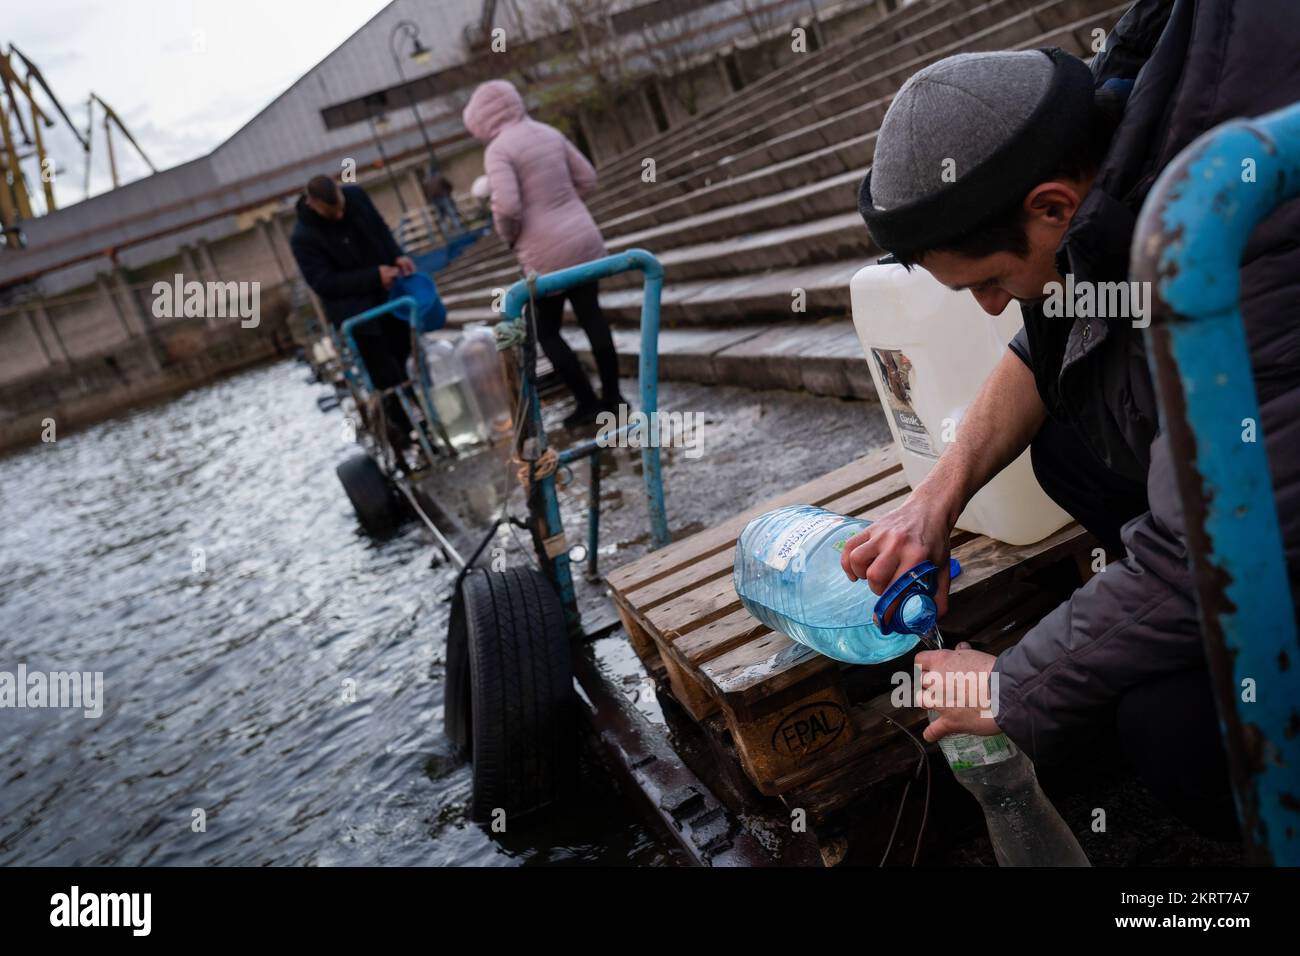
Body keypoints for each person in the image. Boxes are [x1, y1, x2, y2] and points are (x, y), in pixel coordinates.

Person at [843, 0, 1300, 841]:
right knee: (1060, 443)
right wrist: (935, 497)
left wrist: (1010, 688)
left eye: (984, 278)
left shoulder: (1246, 227)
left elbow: (1218, 540)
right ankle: (1144, 629)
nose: (986, 307)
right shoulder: (1116, 157)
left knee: (1174, 731)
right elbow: (1041, 341)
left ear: (1052, 205)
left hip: (1264, 510)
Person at [462, 79, 625, 430]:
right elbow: (588, 179)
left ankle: (588, 402)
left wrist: (510, 237)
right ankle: (614, 398)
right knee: (591, 315)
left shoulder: (498, 151)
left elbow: (506, 208)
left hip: (543, 252)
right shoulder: (548, 132)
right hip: (583, 238)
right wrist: (565, 204)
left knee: (546, 331)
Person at [290, 175, 417, 446]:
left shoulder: (356, 197)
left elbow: (381, 230)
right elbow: (323, 283)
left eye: (340, 207)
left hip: (391, 299)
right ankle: (409, 432)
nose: (339, 215)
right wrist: (374, 276)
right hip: (358, 315)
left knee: (409, 357)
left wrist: (397, 255)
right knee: (385, 376)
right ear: (313, 204)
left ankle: (428, 412)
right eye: (331, 212)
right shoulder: (303, 237)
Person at [421, 159, 464, 238]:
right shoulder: (439, 177)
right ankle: (460, 231)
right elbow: (449, 185)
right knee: (452, 214)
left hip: (434, 200)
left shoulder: (426, 181)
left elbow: (426, 193)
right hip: (443, 197)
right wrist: (448, 193)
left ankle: (447, 235)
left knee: (441, 218)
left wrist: (429, 200)